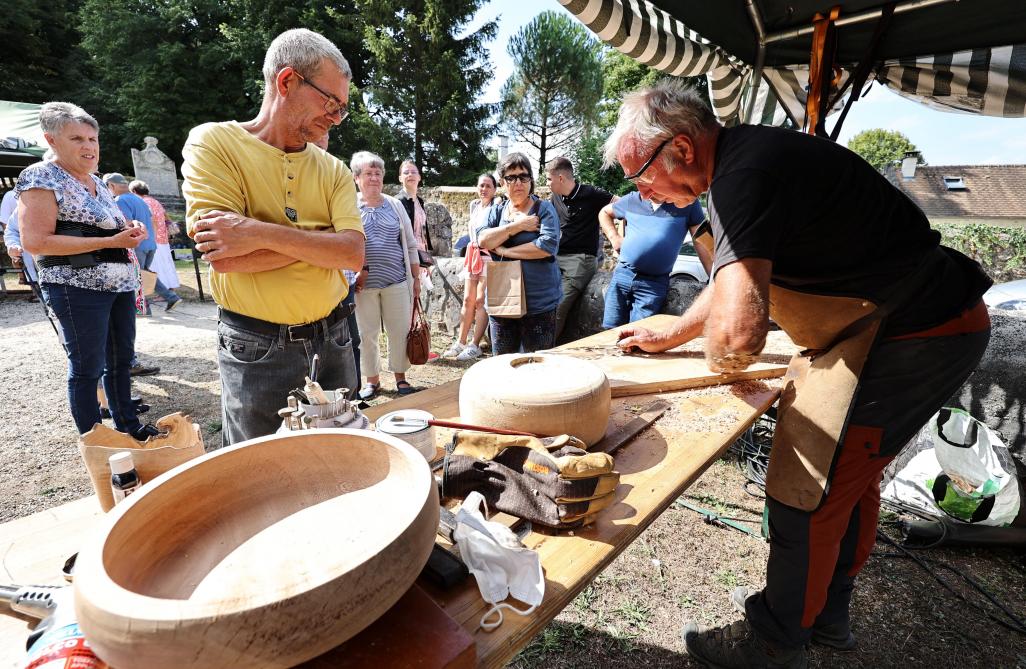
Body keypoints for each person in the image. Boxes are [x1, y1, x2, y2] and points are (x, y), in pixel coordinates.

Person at [605, 80, 992, 668]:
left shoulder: (742, 177)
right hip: (901, 325)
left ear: (680, 148)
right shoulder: (741, 163)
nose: (644, 192)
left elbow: (738, 333)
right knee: (850, 480)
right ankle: (825, 616)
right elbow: (734, 275)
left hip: (914, 333)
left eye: (642, 174)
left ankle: (776, 638)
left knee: (808, 483)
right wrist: (673, 333)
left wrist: (724, 372)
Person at [182, 28, 364, 447]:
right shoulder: (214, 143)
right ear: (287, 81)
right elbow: (224, 257)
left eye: (342, 108)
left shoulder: (334, 169)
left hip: (334, 338)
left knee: (345, 459)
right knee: (260, 472)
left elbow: (352, 253)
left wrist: (255, 231)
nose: (336, 117)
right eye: (330, 101)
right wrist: (321, 243)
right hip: (256, 347)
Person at [16, 102, 159, 441]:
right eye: (77, 138)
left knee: (121, 360)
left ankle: (127, 425)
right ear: (51, 140)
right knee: (86, 368)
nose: (89, 147)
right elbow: (36, 241)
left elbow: (109, 229)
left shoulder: (96, 180)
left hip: (119, 284)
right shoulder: (40, 176)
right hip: (75, 286)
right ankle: (95, 441)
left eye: (93, 139)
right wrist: (111, 239)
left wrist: (131, 229)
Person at [349, 151, 421, 399]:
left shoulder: (395, 204)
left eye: (378, 173)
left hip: (397, 281)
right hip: (363, 285)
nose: (374, 178)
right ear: (357, 178)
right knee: (366, 334)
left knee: (399, 331)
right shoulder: (350, 206)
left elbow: (411, 245)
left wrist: (416, 280)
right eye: (368, 173)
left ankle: (401, 377)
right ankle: (372, 380)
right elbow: (346, 244)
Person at [477, 153, 561, 354]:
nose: (518, 183)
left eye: (523, 177)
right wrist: (518, 225)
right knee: (503, 364)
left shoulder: (544, 209)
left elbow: (546, 246)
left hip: (539, 302)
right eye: (511, 177)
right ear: (502, 183)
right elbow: (483, 240)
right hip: (502, 298)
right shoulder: (496, 211)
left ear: (530, 181)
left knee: (537, 365)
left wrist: (505, 250)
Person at [598, 191, 706, 328]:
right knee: (609, 330)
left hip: (653, 283)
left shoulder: (687, 202)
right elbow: (604, 212)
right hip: (622, 275)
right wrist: (614, 238)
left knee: (639, 334)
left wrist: (715, 277)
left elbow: (702, 240)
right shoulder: (633, 199)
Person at [545, 156, 614, 340]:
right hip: (556, 258)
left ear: (561, 178)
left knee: (557, 307)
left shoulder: (591, 194)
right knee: (540, 300)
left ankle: (543, 352)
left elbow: (623, 205)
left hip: (580, 261)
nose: (547, 183)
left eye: (549, 179)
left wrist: (618, 237)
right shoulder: (555, 197)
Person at [442, 172, 503, 361]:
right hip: (473, 254)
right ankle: (460, 341)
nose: (483, 189)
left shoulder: (497, 206)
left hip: (488, 256)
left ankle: (475, 344)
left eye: (488, 186)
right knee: (468, 299)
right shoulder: (474, 205)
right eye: (481, 185)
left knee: (480, 300)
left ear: (494, 189)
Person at [103, 173, 181, 311]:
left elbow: (126, 222)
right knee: (143, 273)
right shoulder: (139, 199)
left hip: (137, 244)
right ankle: (170, 298)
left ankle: (146, 308)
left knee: (138, 276)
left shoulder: (120, 200)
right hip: (150, 243)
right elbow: (151, 221)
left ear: (112, 185)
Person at [129, 180, 182, 308]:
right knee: (162, 266)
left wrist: (150, 237)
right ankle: (169, 294)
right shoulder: (155, 201)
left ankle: (155, 298)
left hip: (151, 239)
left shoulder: (142, 202)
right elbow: (165, 217)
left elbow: (151, 221)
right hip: (162, 238)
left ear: (135, 192)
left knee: (149, 269)